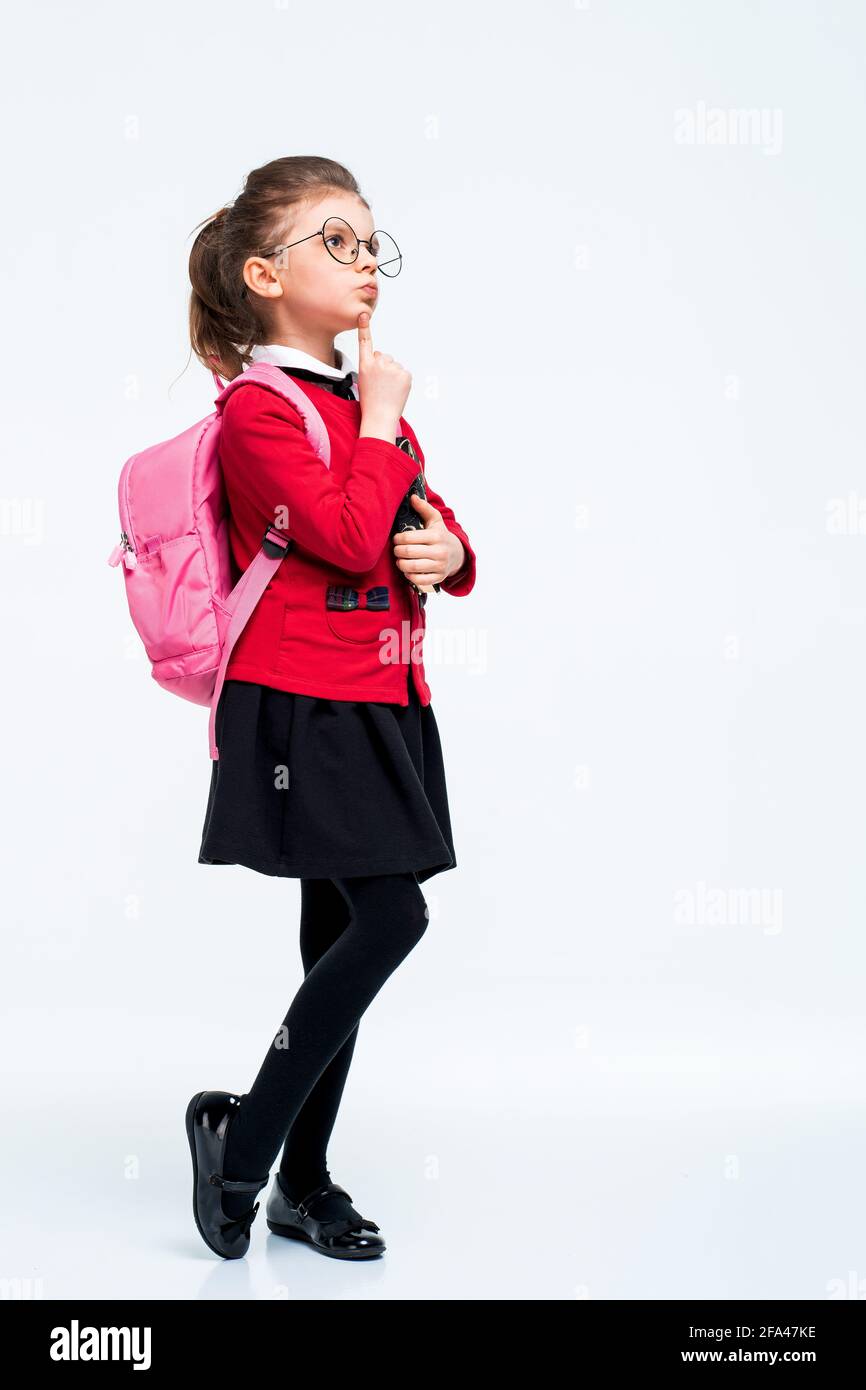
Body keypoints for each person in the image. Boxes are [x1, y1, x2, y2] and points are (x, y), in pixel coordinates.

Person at [183, 156, 477, 1261]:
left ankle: (299, 1181)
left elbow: (419, 521)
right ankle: (243, 1141)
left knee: (333, 933)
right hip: (303, 703)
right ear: (265, 273)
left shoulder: (356, 407)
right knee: (388, 916)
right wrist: (385, 413)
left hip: (380, 691)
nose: (365, 264)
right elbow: (347, 537)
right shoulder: (260, 411)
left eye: (369, 243)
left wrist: (452, 554)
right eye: (336, 242)